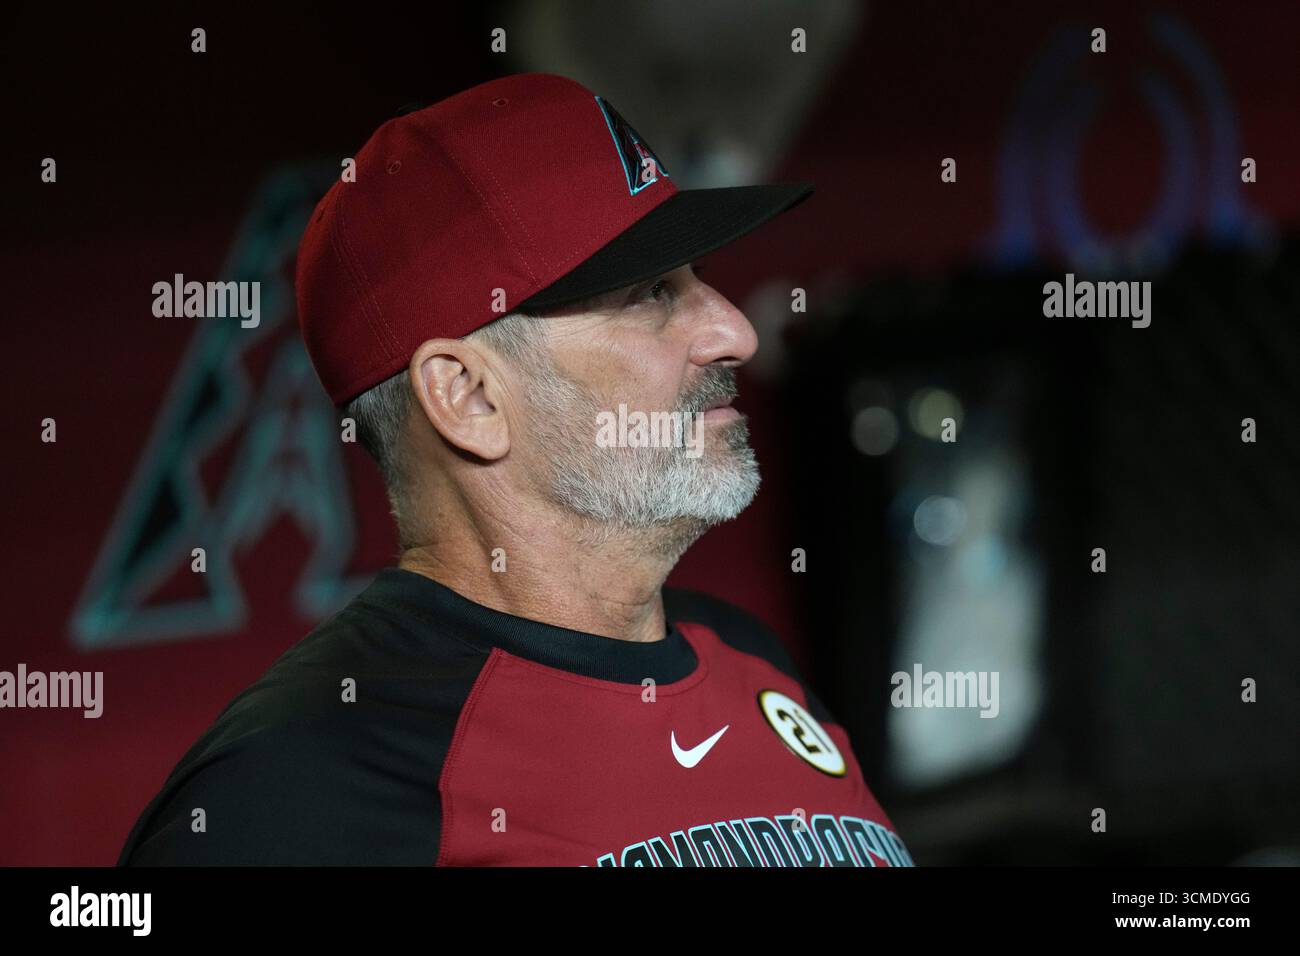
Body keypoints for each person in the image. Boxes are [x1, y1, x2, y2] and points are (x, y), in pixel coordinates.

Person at [117, 72, 912, 867]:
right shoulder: (296, 795)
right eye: (649, 294)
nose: (734, 329)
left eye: (700, 280)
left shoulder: (744, 655)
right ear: (468, 397)